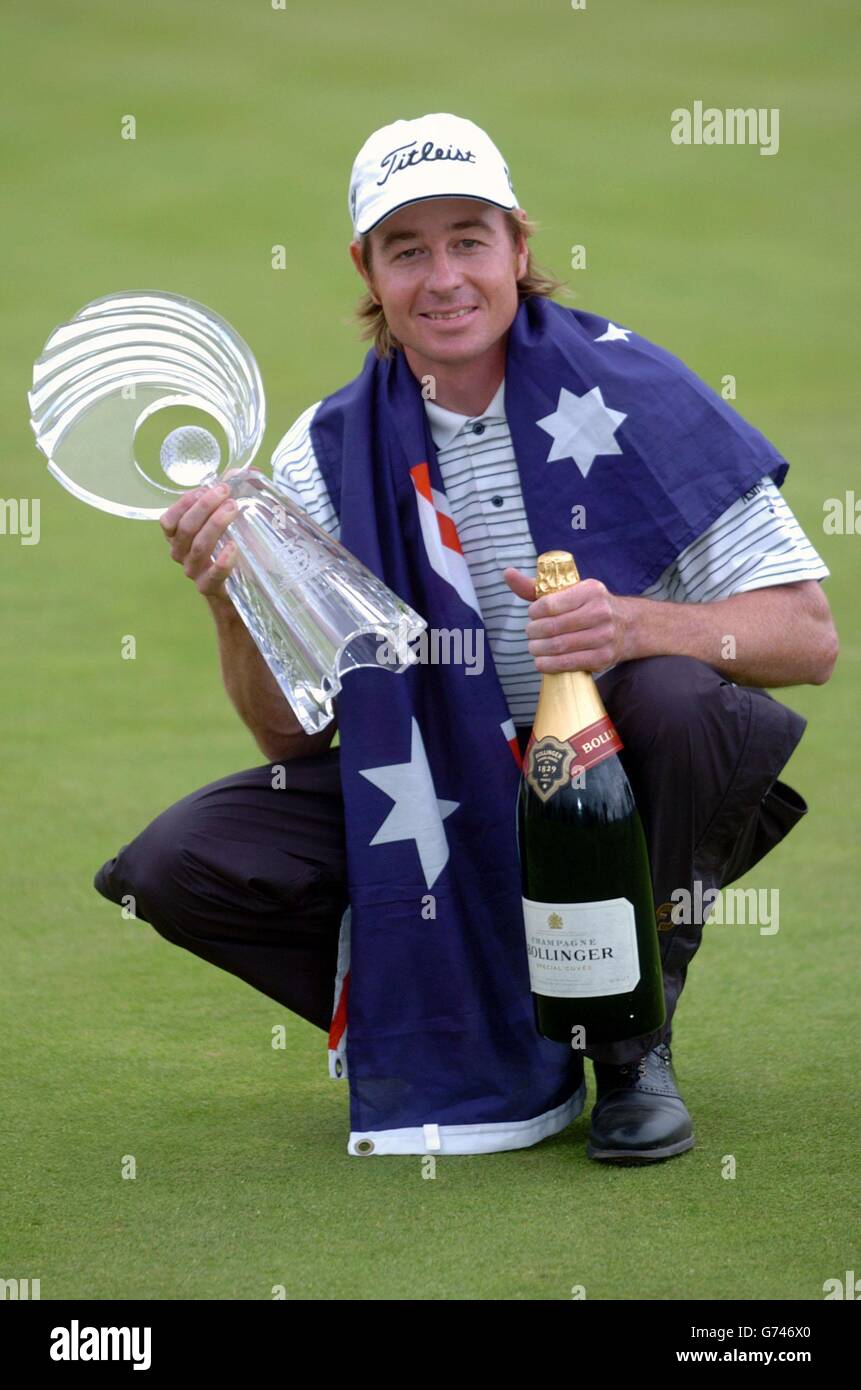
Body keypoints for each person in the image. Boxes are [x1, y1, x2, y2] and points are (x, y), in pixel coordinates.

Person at [94, 113, 838, 1163]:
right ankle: (447, 1006)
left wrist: (633, 623)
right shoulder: (322, 453)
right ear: (369, 269)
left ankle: (629, 1043)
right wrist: (230, 596)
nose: (443, 277)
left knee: (679, 695)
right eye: (408, 249)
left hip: (611, 777)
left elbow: (807, 637)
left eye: (468, 239)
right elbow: (293, 746)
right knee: (181, 860)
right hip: (436, 783)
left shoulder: (638, 391)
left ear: (520, 250)